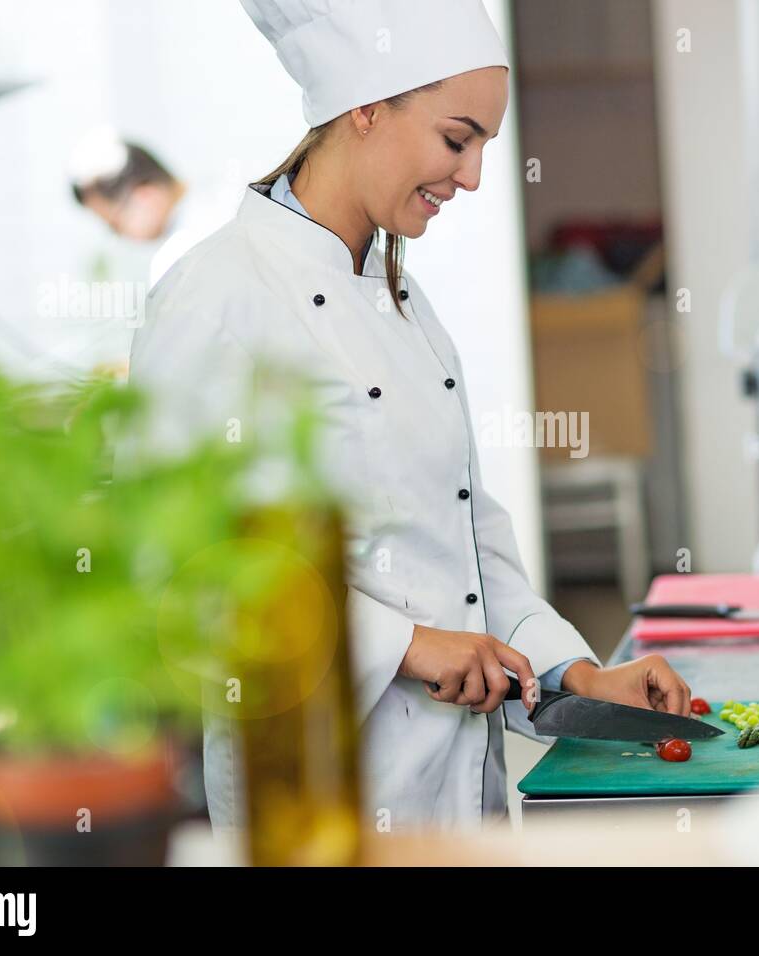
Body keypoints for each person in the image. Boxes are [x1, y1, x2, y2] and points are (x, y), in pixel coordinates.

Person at [124, 0, 692, 830]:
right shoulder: (215, 298)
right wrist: (406, 644)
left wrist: (575, 672)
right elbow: (187, 571)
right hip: (320, 807)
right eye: (457, 140)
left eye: (482, 150)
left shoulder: (402, 302)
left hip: (462, 803)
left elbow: (469, 541)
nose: (470, 178)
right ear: (364, 106)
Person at [68, 129, 229, 286]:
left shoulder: (181, 254)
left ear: (145, 196)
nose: (120, 237)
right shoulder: (224, 195)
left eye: (115, 225)